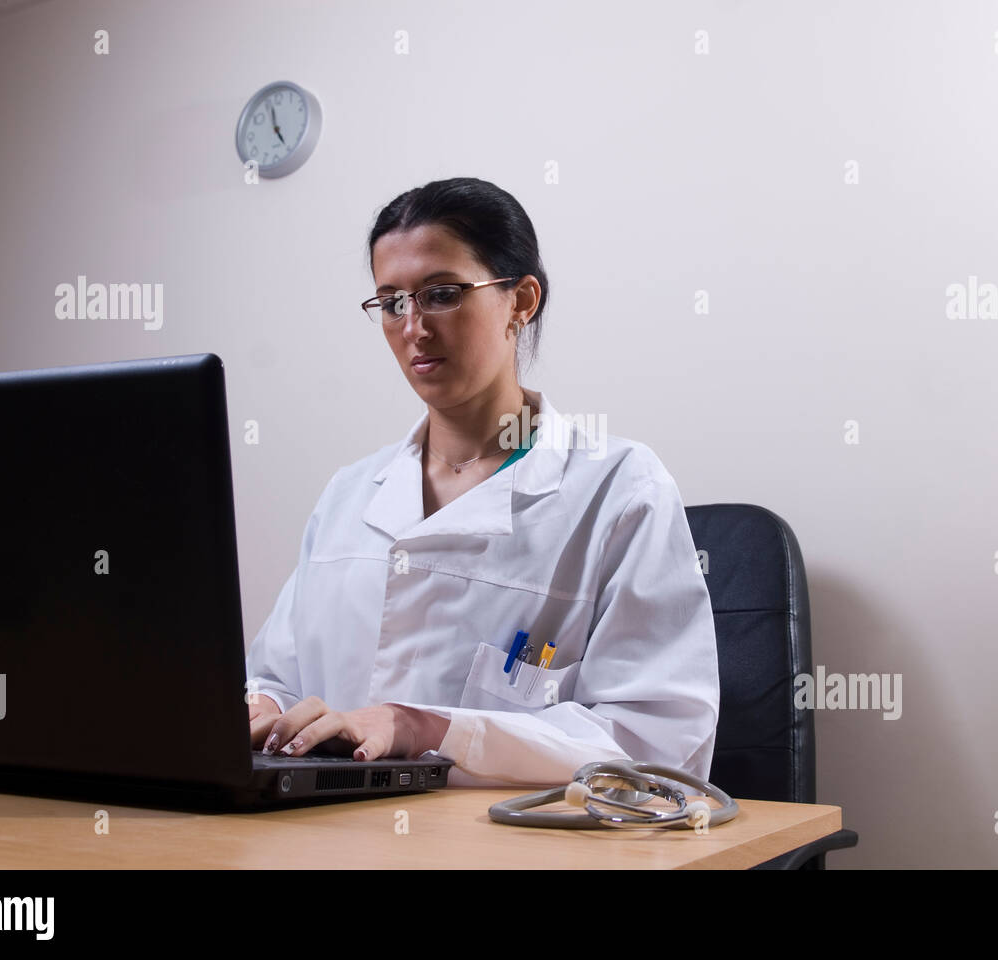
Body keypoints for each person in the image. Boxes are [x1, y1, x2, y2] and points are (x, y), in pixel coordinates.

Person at [245, 177, 719, 787]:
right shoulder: (349, 494)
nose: (413, 326)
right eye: (391, 302)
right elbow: (277, 677)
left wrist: (428, 729)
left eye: (440, 294)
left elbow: (659, 743)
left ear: (521, 302)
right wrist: (266, 710)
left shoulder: (620, 489)